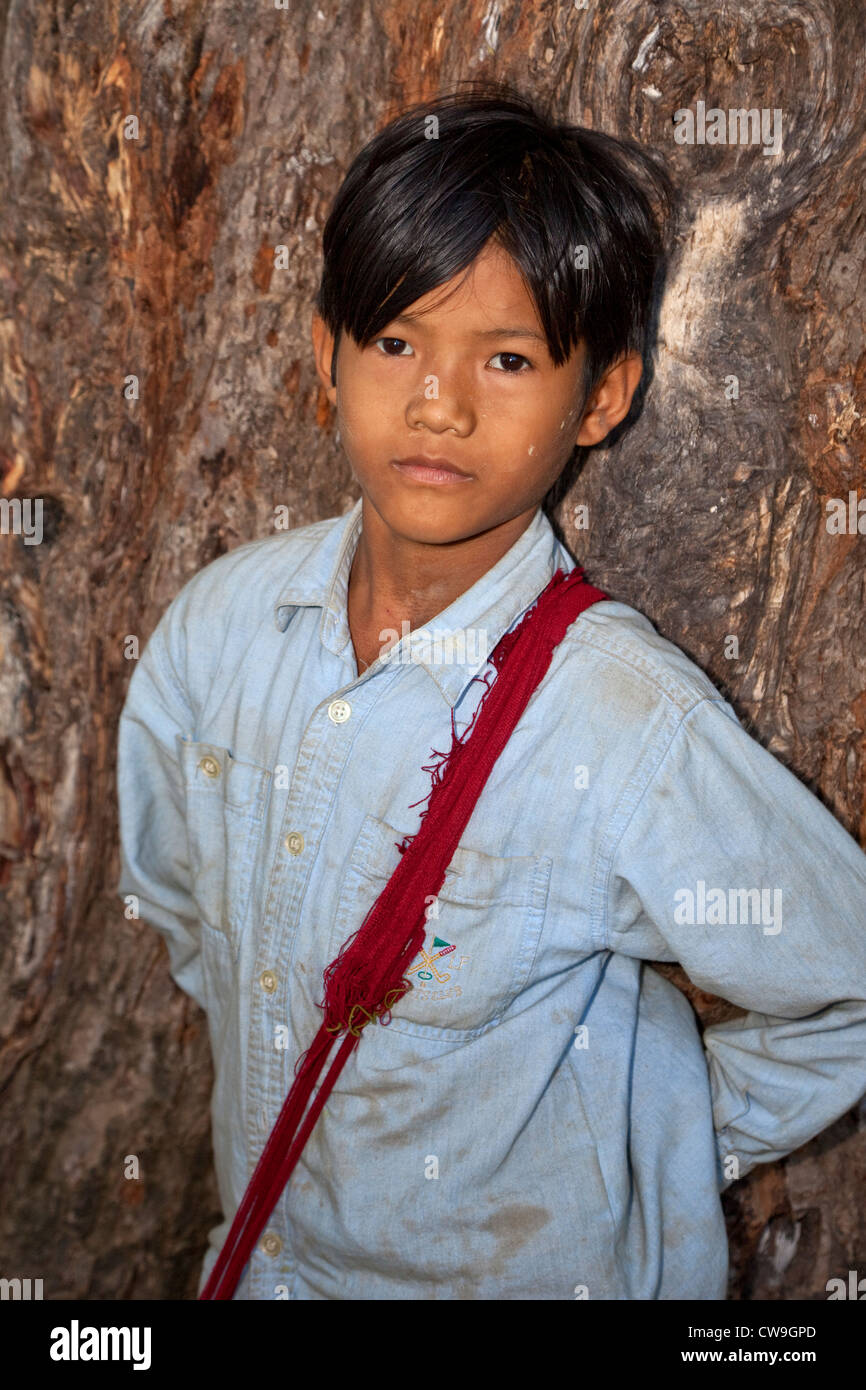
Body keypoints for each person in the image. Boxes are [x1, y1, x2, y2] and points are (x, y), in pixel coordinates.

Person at [115, 80, 866, 1300]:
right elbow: (179, 904)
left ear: (601, 395)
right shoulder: (220, 631)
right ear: (326, 352)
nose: (439, 403)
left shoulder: (617, 722)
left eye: (507, 358)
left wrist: (649, 1148)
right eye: (395, 342)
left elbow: (847, 982)